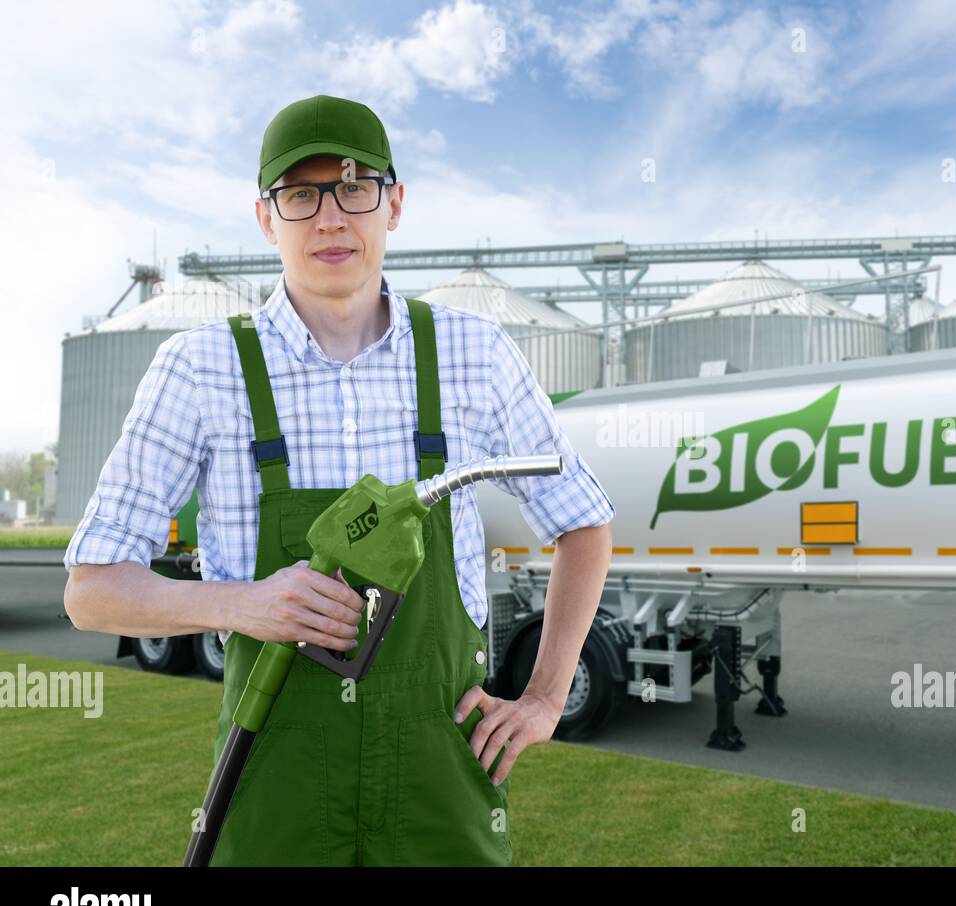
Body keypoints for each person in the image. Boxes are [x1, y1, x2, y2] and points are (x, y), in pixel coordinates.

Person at [62, 93, 616, 866]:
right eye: (301, 194)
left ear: (393, 204)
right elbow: (91, 588)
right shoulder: (201, 368)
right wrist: (245, 603)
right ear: (266, 217)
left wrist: (547, 696)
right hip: (272, 785)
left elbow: (583, 524)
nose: (330, 218)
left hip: (441, 793)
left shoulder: (472, 353)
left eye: (354, 188)